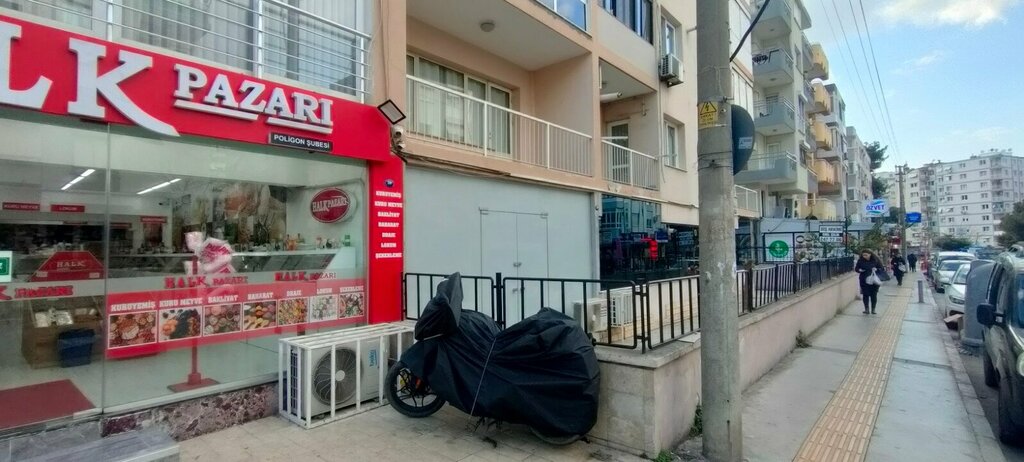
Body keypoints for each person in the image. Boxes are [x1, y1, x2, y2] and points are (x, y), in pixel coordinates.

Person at [855, 250, 885, 314]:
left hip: (874, 280)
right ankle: (866, 309)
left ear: (870, 254)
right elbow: (856, 269)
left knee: (873, 295)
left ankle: (873, 309)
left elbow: (882, 268)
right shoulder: (860, 260)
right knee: (865, 294)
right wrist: (859, 270)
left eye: (866, 255)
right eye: (863, 255)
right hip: (864, 280)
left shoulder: (876, 260)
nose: (864, 256)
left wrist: (877, 269)